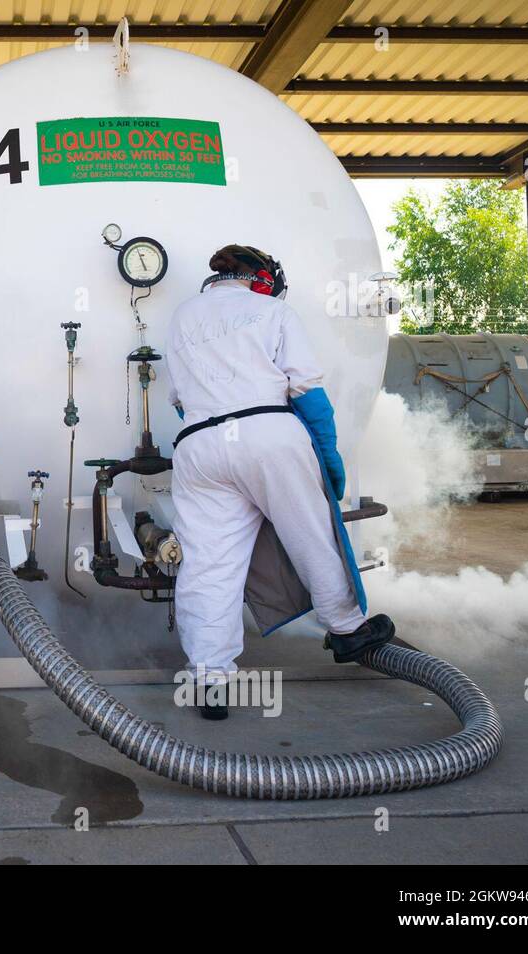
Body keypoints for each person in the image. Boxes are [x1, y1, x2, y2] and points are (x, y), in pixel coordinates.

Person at [163, 244, 393, 721]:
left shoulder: (183, 317)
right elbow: (307, 392)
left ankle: (209, 679)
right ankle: (347, 627)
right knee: (311, 535)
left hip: (197, 445)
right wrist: (327, 461)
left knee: (208, 565)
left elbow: (181, 400)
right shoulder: (274, 311)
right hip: (268, 432)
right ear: (262, 279)